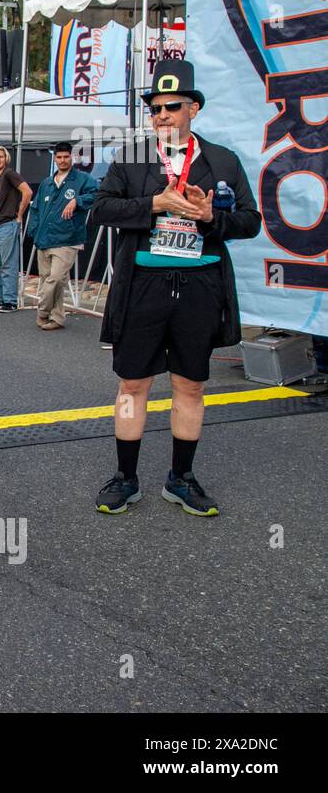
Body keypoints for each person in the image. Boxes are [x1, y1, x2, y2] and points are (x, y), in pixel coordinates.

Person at [88, 59, 260, 517]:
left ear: (194, 109)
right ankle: (126, 477)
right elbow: (101, 209)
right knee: (133, 383)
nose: (161, 115)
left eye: (172, 106)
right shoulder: (132, 157)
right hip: (143, 284)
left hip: (200, 284)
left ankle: (181, 477)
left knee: (190, 384)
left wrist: (210, 218)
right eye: (154, 108)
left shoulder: (222, 160)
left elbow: (251, 221)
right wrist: (153, 204)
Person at [26, 141, 98, 330]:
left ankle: (42, 310)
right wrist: (33, 231)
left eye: (66, 157)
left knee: (56, 278)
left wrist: (78, 200)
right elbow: (35, 208)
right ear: (55, 158)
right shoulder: (47, 183)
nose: (63, 160)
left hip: (67, 238)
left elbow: (98, 194)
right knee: (47, 279)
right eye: (59, 157)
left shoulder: (82, 179)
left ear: (72, 158)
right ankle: (56, 318)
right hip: (44, 238)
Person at [0, 146, 32, 312]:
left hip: (7, 224)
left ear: (5, 158)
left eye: (1, 156)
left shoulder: (9, 174)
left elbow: (27, 192)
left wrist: (19, 214)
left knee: (8, 264)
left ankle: (10, 301)